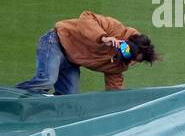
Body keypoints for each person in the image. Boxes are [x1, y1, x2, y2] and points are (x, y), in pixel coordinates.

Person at [15, 11, 158, 95]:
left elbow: (114, 90)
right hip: (56, 41)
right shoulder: (114, 28)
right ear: (127, 42)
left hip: (71, 61)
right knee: (47, 80)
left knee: (69, 99)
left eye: (134, 60)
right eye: (129, 53)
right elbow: (86, 16)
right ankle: (8, 101)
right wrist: (102, 37)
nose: (130, 60)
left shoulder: (121, 63)